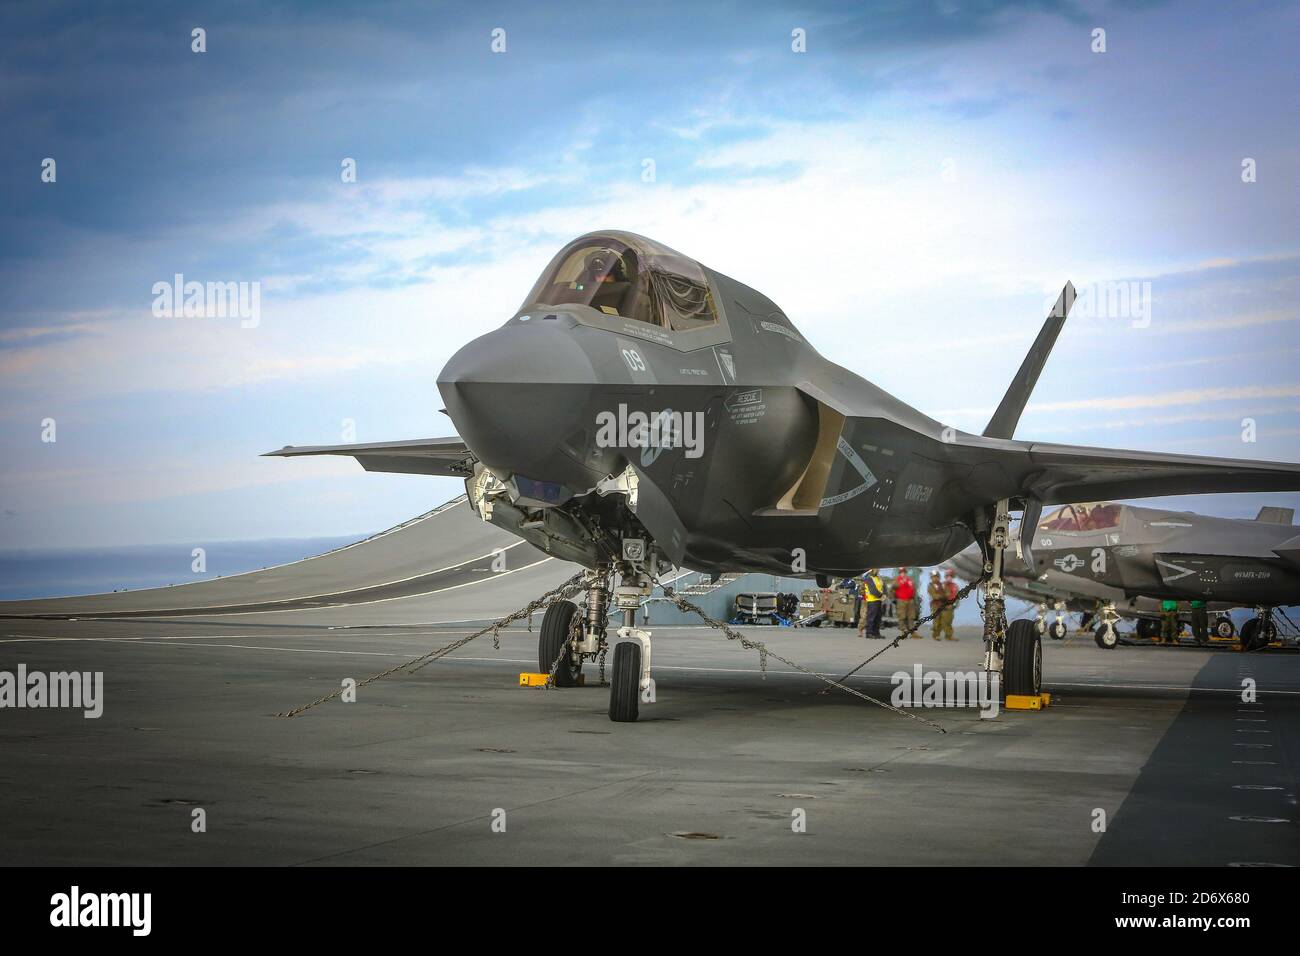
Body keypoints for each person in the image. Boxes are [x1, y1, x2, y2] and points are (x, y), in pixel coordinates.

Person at [858, 569, 885, 638]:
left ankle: (876, 633)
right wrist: (881, 595)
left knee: (878, 618)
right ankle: (869, 633)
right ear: (871, 571)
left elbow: (883, 587)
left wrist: (884, 594)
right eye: (876, 570)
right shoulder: (868, 579)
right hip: (872, 600)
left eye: (878, 570)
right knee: (871, 618)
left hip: (879, 600)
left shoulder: (879, 579)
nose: (878, 571)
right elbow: (873, 590)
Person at [893, 568, 919, 637]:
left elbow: (914, 588)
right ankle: (903, 631)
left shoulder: (909, 579)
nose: (903, 573)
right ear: (899, 573)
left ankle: (912, 632)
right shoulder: (897, 580)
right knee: (902, 616)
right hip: (901, 600)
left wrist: (914, 597)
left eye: (904, 572)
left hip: (910, 600)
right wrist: (894, 599)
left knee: (911, 616)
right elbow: (893, 588)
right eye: (901, 572)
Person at [940, 568, 960, 641]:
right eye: (948, 576)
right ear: (945, 577)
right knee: (945, 621)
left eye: (951, 576)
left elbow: (957, 596)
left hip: (951, 606)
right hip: (945, 606)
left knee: (949, 620)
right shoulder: (942, 585)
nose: (949, 578)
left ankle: (948, 635)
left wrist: (955, 604)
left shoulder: (955, 586)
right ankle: (948, 635)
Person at [927, 570, 947, 641]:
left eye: (937, 577)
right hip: (935, 605)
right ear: (931, 578)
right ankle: (935, 635)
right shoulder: (930, 585)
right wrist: (941, 596)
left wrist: (945, 596)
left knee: (942, 620)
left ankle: (938, 633)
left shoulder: (941, 585)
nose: (935, 578)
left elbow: (946, 593)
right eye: (933, 577)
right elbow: (933, 595)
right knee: (936, 619)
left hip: (942, 604)